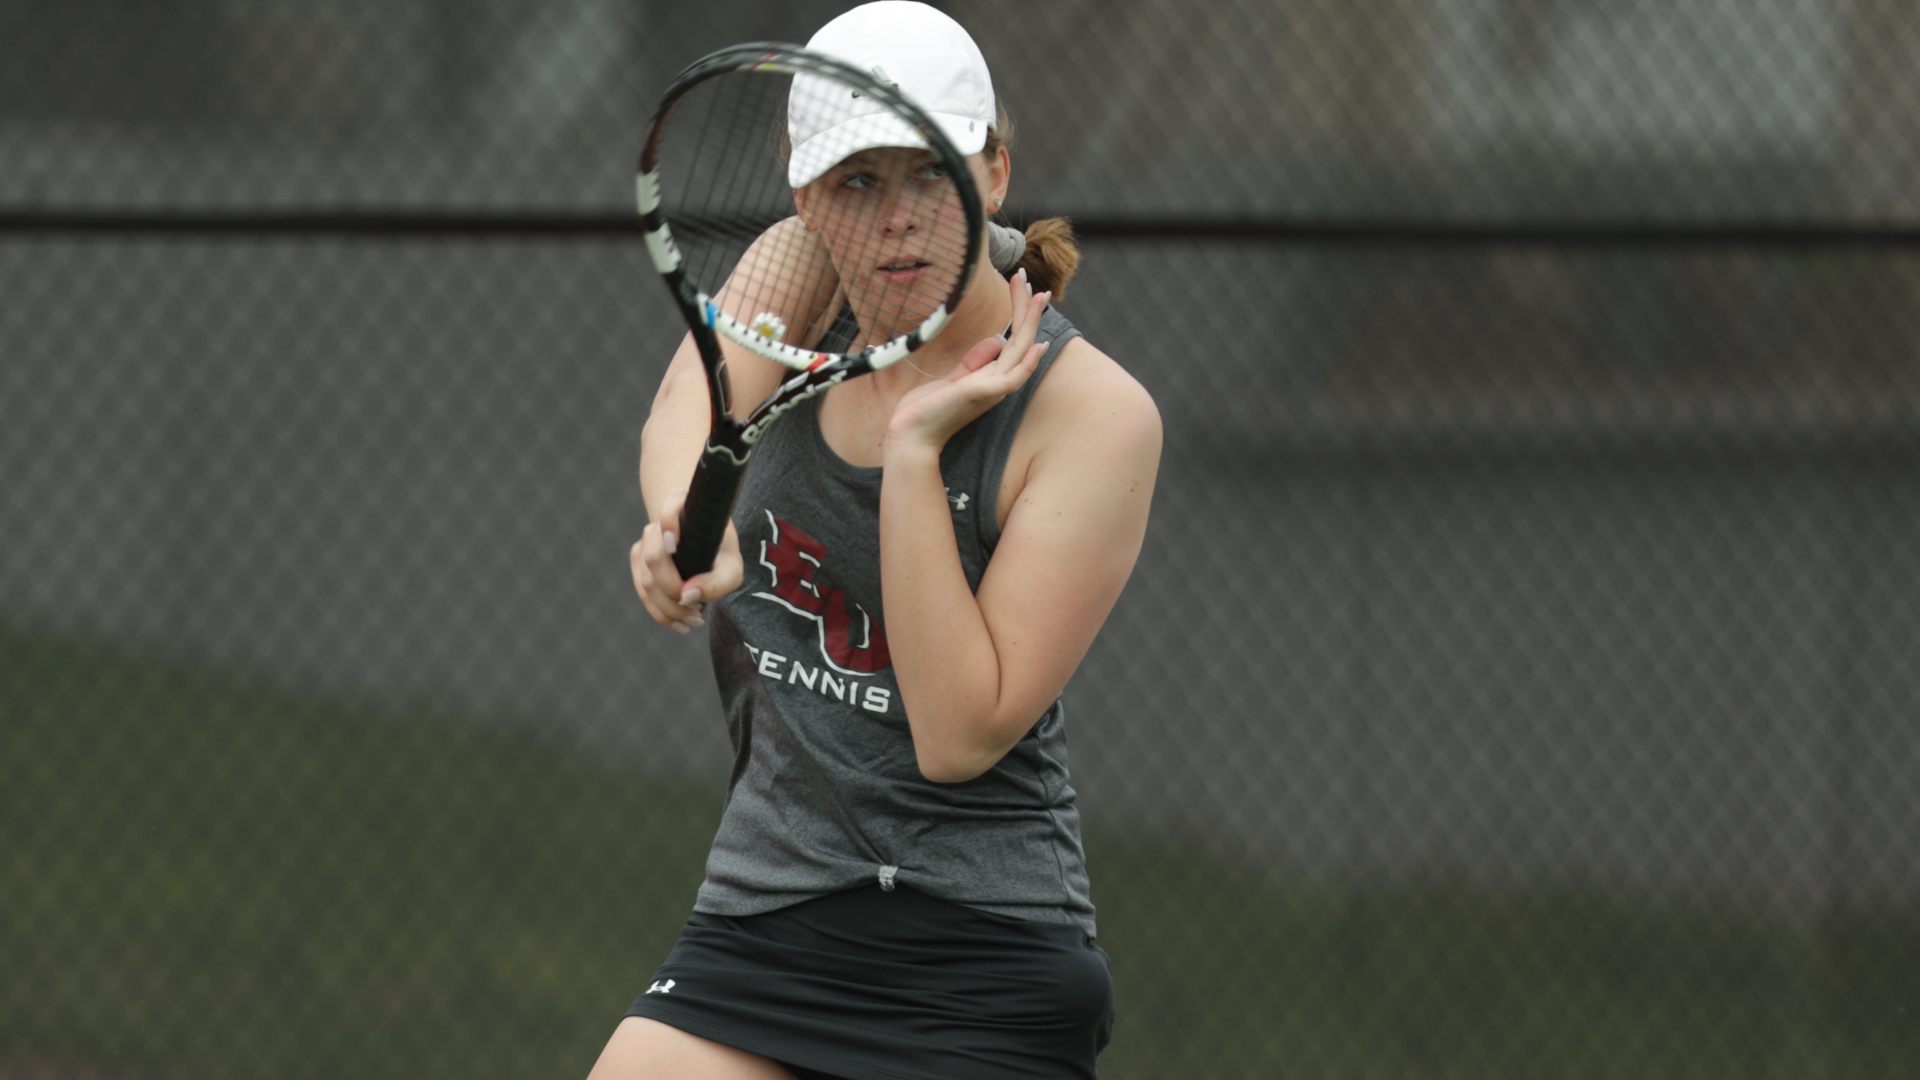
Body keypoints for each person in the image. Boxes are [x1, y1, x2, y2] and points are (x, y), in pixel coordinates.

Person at [596, 4, 1160, 1078]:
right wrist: (684, 525)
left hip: (984, 950)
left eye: (928, 173)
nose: (897, 219)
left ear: (996, 171)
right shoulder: (794, 271)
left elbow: (960, 735)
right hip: (771, 911)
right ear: (807, 195)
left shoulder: (1091, 415)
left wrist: (913, 458)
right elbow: (690, 407)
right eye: (858, 182)